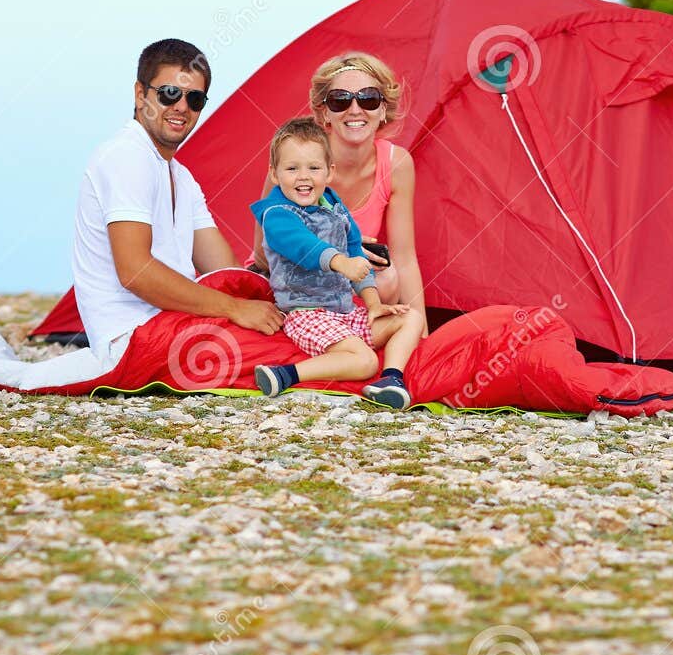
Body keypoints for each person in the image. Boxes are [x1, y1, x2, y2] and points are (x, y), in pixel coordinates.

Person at [72, 38, 283, 372]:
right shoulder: (126, 156)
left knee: (305, 332)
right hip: (132, 340)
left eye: (195, 98)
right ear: (140, 95)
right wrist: (235, 309)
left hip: (174, 324)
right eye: (169, 93)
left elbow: (224, 271)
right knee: (287, 356)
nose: (182, 107)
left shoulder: (179, 176)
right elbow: (136, 272)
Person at [250, 118, 425, 409]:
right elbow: (303, 246)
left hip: (343, 311)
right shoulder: (277, 213)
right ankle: (284, 374)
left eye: (314, 168)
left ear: (329, 173)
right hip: (307, 312)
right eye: (292, 169)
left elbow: (356, 250)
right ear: (275, 174)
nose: (303, 177)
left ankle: (392, 378)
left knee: (411, 318)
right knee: (365, 361)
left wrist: (373, 304)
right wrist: (341, 262)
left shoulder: (333, 206)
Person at [251, 52, 427, 324]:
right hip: (288, 282)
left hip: (347, 286)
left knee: (388, 279)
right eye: (340, 100)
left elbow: (405, 259)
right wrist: (339, 252)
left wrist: (424, 337)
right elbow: (263, 254)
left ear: (383, 109)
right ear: (324, 112)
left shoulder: (397, 164)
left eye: (368, 98)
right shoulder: (297, 162)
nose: (355, 110)